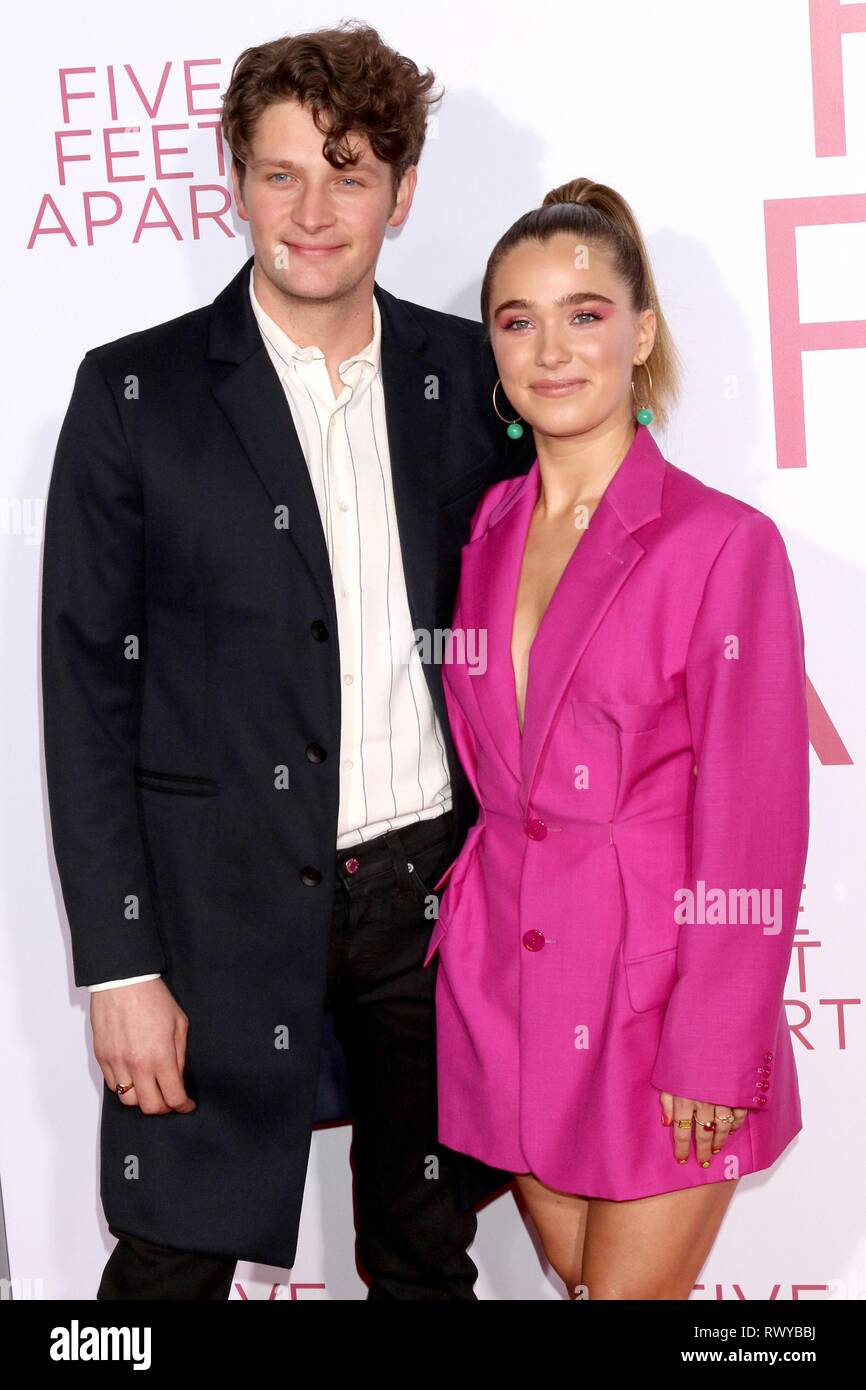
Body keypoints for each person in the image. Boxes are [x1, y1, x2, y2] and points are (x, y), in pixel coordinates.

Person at [40, 21, 532, 1300]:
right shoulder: (131, 394)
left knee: (428, 1254)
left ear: (403, 192)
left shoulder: (471, 377)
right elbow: (86, 697)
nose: (314, 211)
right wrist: (118, 965)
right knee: (168, 1263)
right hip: (210, 913)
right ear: (234, 181)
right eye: (280, 174)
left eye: (351, 172)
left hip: (431, 900)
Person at [424, 178, 811, 1300]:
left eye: (584, 313)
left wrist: (714, 1041)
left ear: (640, 333)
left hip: (654, 1000)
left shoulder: (719, 543)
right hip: (503, 989)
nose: (551, 348)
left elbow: (752, 824)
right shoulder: (487, 528)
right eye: (516, 319)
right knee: (577, 1283)